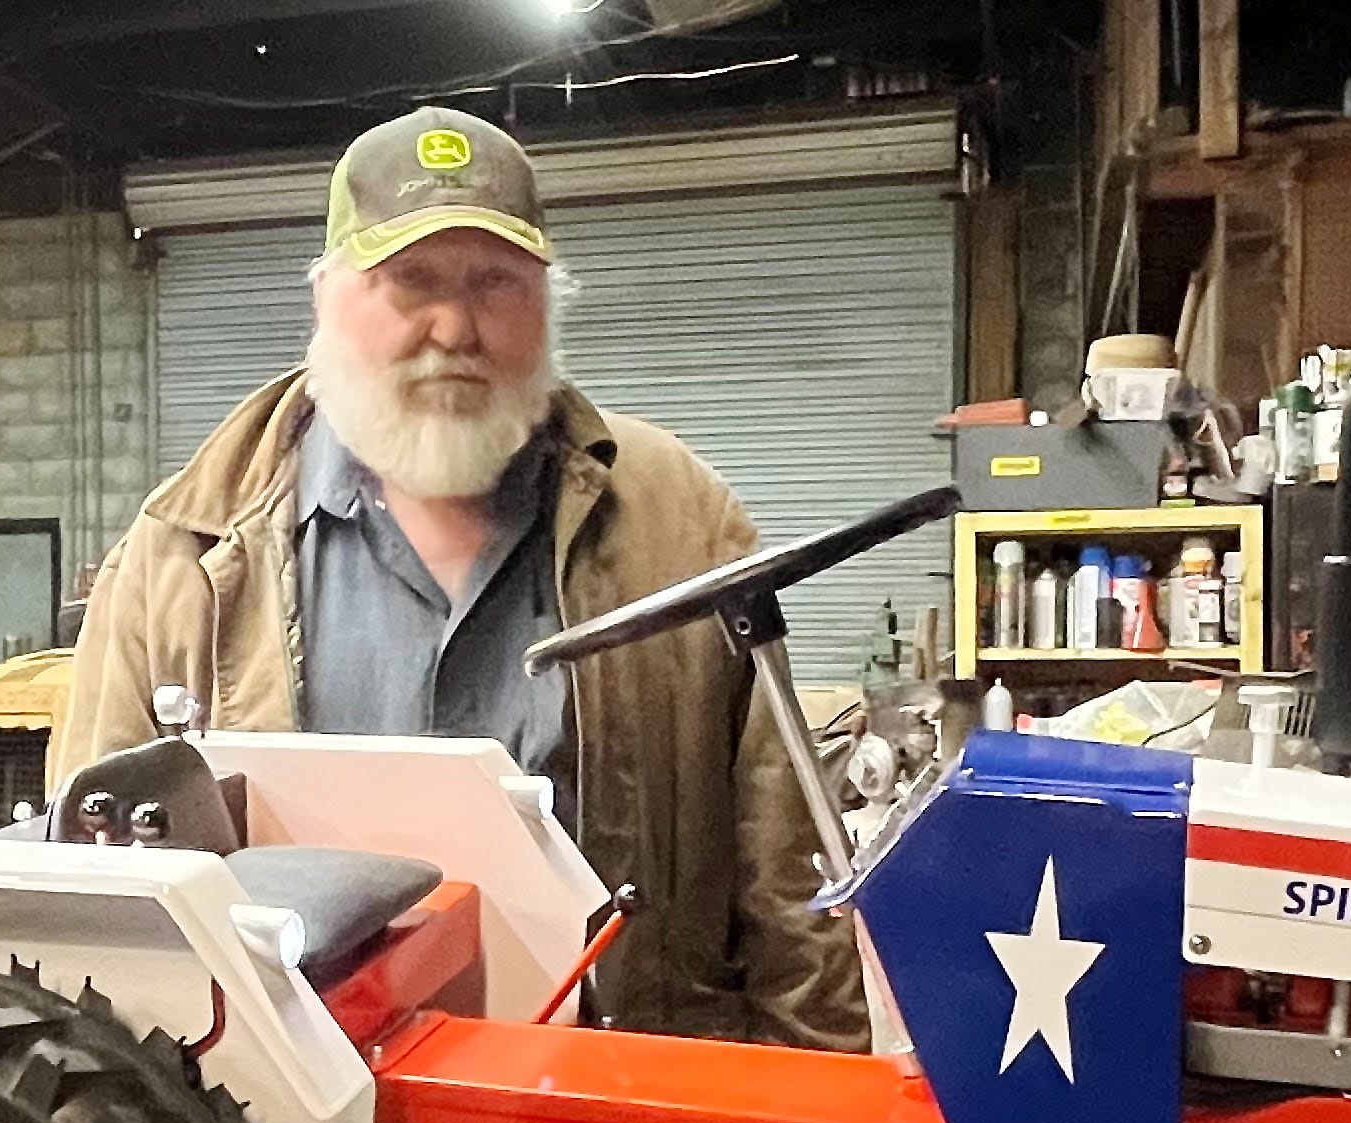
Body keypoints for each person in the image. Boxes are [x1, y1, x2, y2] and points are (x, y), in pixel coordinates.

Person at [59, 107, 864, 1050]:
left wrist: (815, 1114)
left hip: (615, 1102)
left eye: (496, 282)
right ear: (327, 299)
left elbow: (789, 882)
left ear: (546, 302)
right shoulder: (181, 558)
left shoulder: (680, 521)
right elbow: (92, 899)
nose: (455, 326)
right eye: (411, 282)